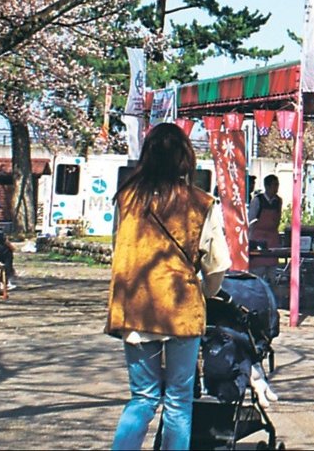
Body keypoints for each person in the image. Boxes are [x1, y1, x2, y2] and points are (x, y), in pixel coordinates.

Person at [106, 122, 230, 451]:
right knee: (178, 400)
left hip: (136, 308)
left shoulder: (126, 199)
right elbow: (217, 264)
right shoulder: (201, 203)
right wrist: (207, 293)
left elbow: (119, 250)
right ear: (185, 158)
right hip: (181, 310)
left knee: (142, 398)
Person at [247, 174, 282, 285]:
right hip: (258, 240)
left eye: (277, 185)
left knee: (272, 274)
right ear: (267, 186)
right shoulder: (257, 200)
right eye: (274, 185)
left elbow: (278, 219)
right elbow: (251, 220)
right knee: (257, 274)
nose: (276, 188)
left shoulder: (278, 201)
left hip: (272, 240)